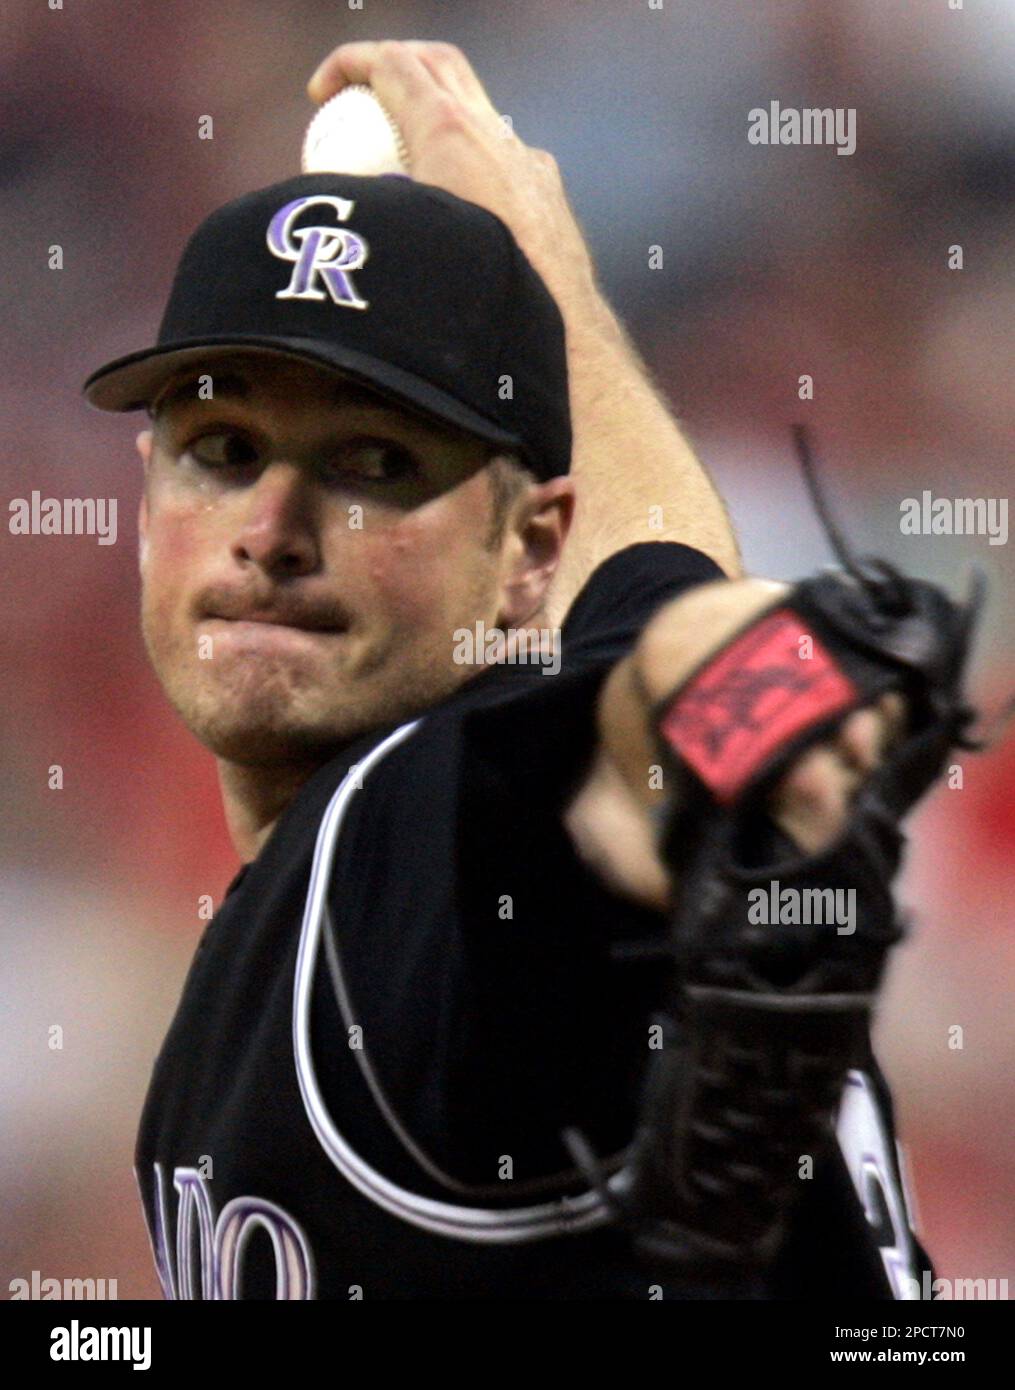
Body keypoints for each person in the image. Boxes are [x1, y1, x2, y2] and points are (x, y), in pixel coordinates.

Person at [82, 41, 932, 1299]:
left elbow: (639, 717)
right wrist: (548, 266)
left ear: (530, 550)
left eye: (373, 463)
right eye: (220, 447)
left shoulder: (423, 845)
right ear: (147, 508)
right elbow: (663, 577)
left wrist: (742, 706)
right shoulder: (284, 934)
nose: (271, 526)